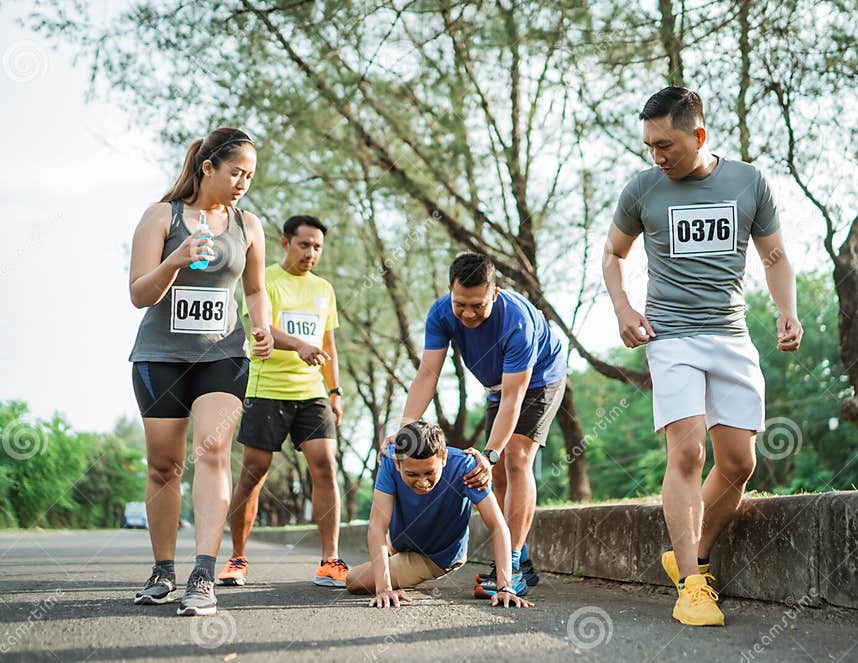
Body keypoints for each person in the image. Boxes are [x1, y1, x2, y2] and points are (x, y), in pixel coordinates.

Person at [602, 87, 803, 627]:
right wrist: (623, 307)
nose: (656, 156)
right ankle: (692, 584)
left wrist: (788, 310)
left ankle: (688, 553)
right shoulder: (642, 191)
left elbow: (775, 256)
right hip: (669, 337)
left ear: (698, 135)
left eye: (665, 144)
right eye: (648, 145)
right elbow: (613, 255)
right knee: (688, 453)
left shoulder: (748, 182)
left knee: (739, 463)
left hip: (731, 335)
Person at [128, 127, 273, 616]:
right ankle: (163, 569)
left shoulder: (248, 225)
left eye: (250, 176)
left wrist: (264, 327)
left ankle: (203, 573)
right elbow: (139, 294)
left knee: (212, 452)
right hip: (160, 358)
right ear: (208, 167)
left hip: (223, 356)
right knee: (164, 467)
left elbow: (254, 290)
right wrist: (176, 257)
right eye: (236, 172)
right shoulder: (160, 216)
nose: (243, 183)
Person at [381, 252, 566, 597]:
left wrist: (490, 453)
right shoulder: (439, 314)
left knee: (515, 457)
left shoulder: (517, 323)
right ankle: (520, 551)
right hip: (498, 384)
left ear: (494, 294)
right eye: (460, 303)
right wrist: (406, 429)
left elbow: (514, 398)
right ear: (450, 291)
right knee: (492, 475)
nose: (467, 313)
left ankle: (510, 566)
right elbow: (428, 373)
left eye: (477, 305)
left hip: (539, 378)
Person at [217, 215, 349, 588]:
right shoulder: (265, 281)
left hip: (312, 393)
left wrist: (335, 391)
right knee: (255, 472)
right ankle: (237, 559)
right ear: (285, 243)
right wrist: (298, 345)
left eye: (317, 247)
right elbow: (263, 328)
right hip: (267, 388)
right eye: (304, 244)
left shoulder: (324, 288)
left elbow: (328, 344)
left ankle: (330, 561)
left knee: (325, 466)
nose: (311, 253)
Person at [350, 421, 533, 609]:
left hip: (434, 557)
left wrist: (505, 587)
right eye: (412, 474)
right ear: (398, 463)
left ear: (443, 457)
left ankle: (392, 562)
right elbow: (377, 526)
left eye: (429, 472)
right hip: (400, 544)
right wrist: (385, 589)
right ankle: (390, 555)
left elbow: (497, 525)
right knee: (375, 572)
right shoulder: (389, 460)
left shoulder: (466, 466)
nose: (422, 482)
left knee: (353, 579)